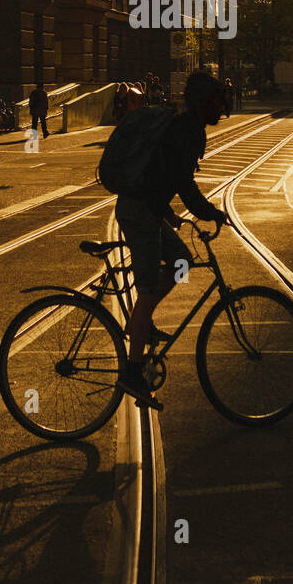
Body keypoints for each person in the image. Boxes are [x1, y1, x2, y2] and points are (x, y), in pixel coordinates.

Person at [116, 70, 228, 409]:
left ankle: (142, 321)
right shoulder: (188, 131)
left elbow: (160, 173)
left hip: (146, 208)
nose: (221, 110)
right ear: (204, 103)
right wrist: (211, 213)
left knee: (182, 261)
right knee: (149, 291)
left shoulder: (182, 126)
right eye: (217, 103)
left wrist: (167, 213)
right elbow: (184, 184)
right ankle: (133, 373)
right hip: (139, 212)